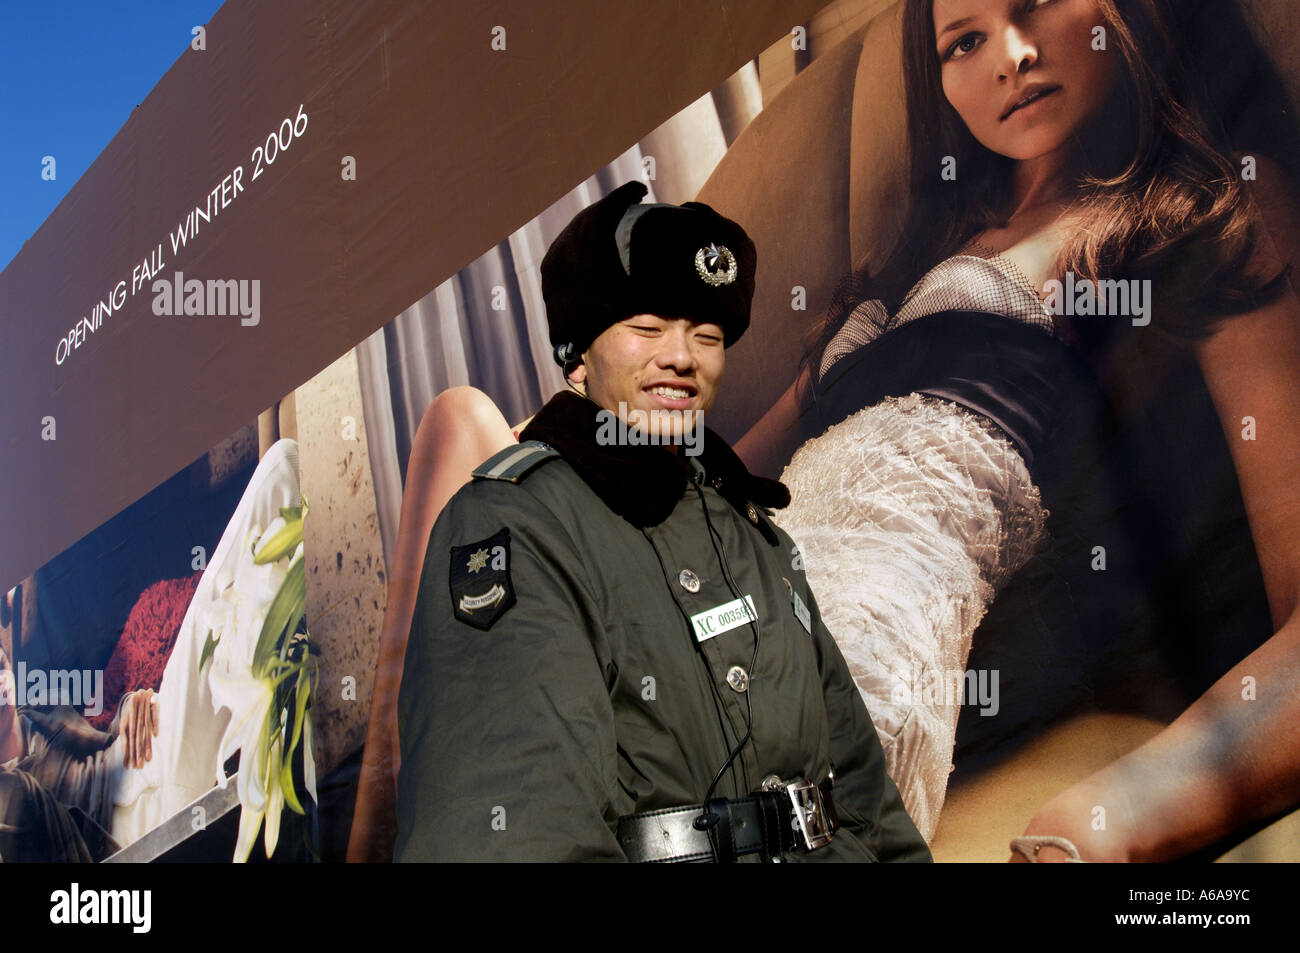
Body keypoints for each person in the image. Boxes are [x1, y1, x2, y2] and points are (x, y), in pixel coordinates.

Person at [738, 0, 1300, 860]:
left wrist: (1110, 819)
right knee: (469, 438)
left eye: (1035, 3)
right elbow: (713, 484)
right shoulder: (906, 259)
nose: (1009, 56)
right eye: (962, 43)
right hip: (728, 608)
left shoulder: (1205, 215)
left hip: (853, 657)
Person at [394, 181, 931, 862]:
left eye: (706, 335)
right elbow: (518, 836)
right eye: (647, 327)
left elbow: (868, 799)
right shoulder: (514, 527)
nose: (682, 357)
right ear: (578, 355)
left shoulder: (757, 534)